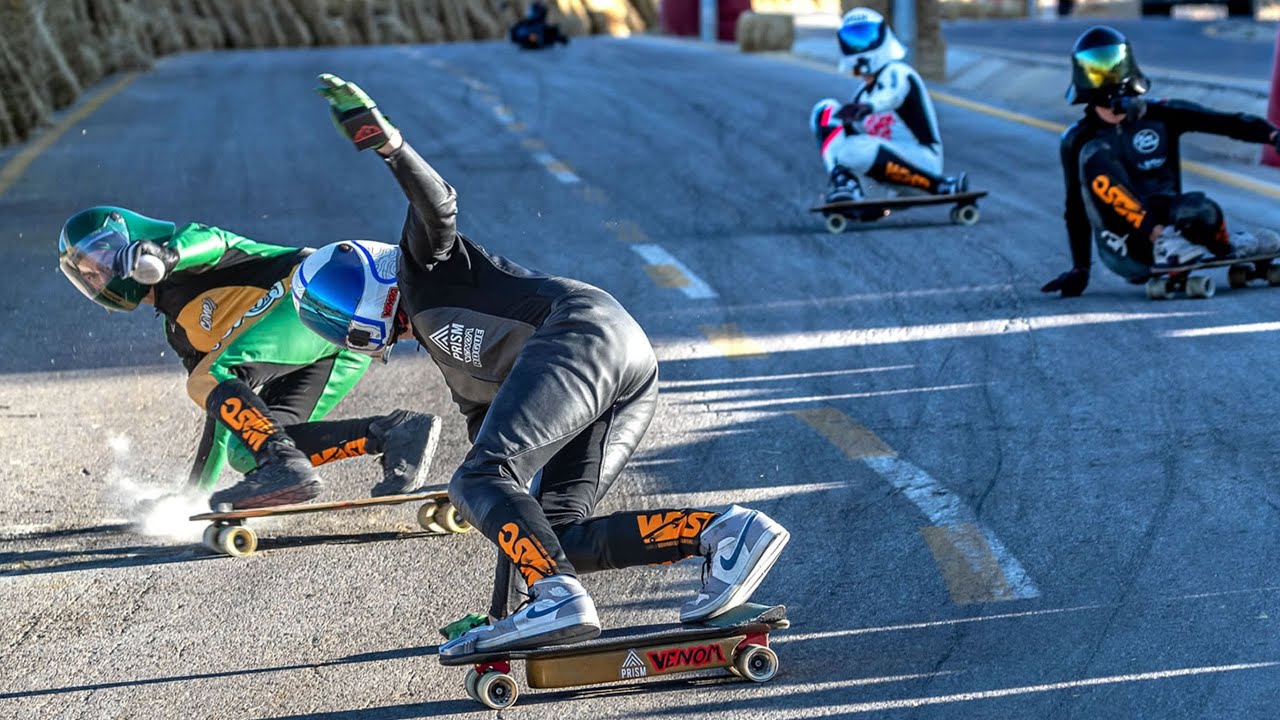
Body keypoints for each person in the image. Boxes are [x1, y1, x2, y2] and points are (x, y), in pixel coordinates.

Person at [291, 72, 791, 655]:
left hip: (580, 333)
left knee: (475, 478)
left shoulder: (423, 271)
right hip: (625, 366)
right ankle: (726, 533)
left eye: (338, 299)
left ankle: (557, 599)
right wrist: (500, 617)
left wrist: (388, 146)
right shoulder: (457, 367)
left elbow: (438, 206)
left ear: (373, 271)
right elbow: (510, 488)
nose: (342, 319)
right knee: (553, 534)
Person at [57, 207, 442, 509]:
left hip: (316, 298)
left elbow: (214, 241)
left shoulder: (186, 249)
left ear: (132, 234)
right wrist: (192, 497)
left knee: (214, 383)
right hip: (337, 350)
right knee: (246, 449)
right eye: (90, 275)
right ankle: (395, 433)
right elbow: (222, 408)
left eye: (103, 255)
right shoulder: (178, 331)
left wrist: (167, 253)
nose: (103, 274)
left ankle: (283, 467)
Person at [1042, 26, 1280, 297]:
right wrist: (1080, 269)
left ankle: (1228, 247)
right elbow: (1075, 208)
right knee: (1095, 154)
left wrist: (1273, 135)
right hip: (1127, 244)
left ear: (1127, 65)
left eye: (1113, 65)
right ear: (1083, 76)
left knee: (1202, 208)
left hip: (1172, 222)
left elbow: (1227, 122)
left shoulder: (1161, 115)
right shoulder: (1079, 139)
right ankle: (1163, 241)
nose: (1107, 75)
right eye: (1096, 68)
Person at [810, 7, 968, 205]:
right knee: (825, 110)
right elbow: (846, 136)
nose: (859, 47)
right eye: (852, 40)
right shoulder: (861, 94)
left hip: (921, 164)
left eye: (866, 37)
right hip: (885, 179)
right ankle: (846, 184)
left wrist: (868, 107)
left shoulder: (898, 72)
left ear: (883, 36)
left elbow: (892, 95)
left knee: (854, 150)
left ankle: (941, 185)